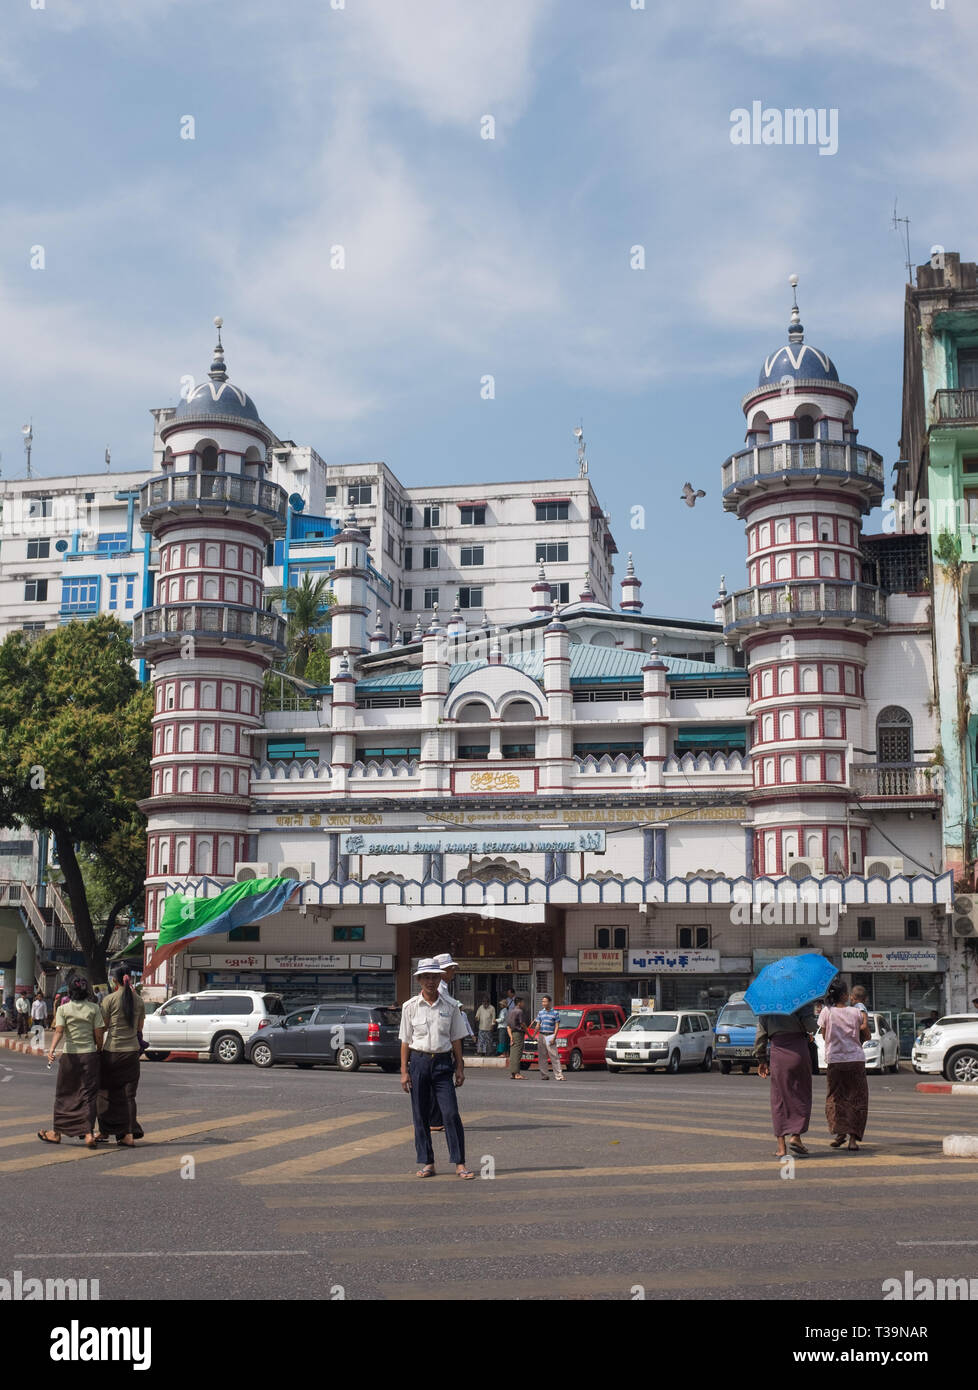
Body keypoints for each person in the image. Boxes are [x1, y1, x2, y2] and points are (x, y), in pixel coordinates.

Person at [399, 958, 475, 1178]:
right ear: (420, 980)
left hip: (443, 1064)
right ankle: (427, 1162)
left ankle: (459, 1163)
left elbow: (456, 1039)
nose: (430, 981)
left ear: (440, 978)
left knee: (450, 1113)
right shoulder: (410, 1007)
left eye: (434, 977)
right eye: (426, 977)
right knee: (420, 1115)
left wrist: (460, 1067)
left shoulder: (451, 1007)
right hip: (419, 1063)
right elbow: (405, 1040)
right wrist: (404, 1071)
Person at [38, 978, 105, 1148]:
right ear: (87, 992)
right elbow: (98, 1034)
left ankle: (56, 1133)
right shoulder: (94, 1008)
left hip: (70, 1056)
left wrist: (51, 1050)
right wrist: (98, 1049)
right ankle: (88, 1133)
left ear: (70, 992)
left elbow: (59, 1032)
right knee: (88, 1095)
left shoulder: (63, 1009)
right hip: (89, 1055)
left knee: (65, 1094)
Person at [753, 1003, 818, 1159]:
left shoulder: (767, 1005)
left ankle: (781, 1148)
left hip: (779, 1053)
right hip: (799, 1052)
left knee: (779, 1098)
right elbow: (812, 1026)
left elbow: (761, 1035)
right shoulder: (801, 1000)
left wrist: (761, 1059)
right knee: (801, 1093)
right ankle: (796, 1136)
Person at [818, 978, 871, 1152]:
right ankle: (852, 1139)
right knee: (857, 1098)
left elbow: (825, 1036)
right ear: (845, 995)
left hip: (835, 1060)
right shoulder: (856, 1013)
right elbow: (867, 1035)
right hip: (855, 1059)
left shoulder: (827, 1012)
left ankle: (840, 1132)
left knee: (836, 1097)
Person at [96, 966, 146, 1147]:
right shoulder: (139, 1000)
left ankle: (104, 1131)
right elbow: (140, 1028)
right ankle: (128, 1134)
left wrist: (98, 1048)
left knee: (104, 1093)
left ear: (114, 981)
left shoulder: (109, 1000)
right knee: (129, 1096)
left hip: (112, 1052)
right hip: (132, 1053)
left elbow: (103, 1027)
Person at [533, 994, 563, 1080]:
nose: (543, 1003)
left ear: (549, 1002)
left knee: (554, 1056)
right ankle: (544, 1075)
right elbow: (538, 1025)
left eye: (545, 1001)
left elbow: (557, 1026)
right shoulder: (540, 1012)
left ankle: (559, 1076)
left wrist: (554, 1037)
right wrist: (534, 1035)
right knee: (542, 1057)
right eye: (542, 1001)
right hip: (541, 1035)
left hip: (550, 1035)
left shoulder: (555, 1013)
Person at [507, 993, 528, 1079]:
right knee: (517, 1054)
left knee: (513, 1053)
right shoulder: (519, 1011)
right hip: (518, 1033)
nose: (523, 1004)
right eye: (522, 1002)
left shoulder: (511, 1011)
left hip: (512, 1033)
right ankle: (516, 1073)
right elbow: (522, 1024)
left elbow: (508, 1026)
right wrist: (529, 1033)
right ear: (519, 1003)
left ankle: (513, 1073)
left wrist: (511, 1037)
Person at [496, 989, 515, 1055]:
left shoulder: (503, 1011)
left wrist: (495, 1020)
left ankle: (503, 1053)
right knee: (506, 1040)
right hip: (506, 1026)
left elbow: (502, 1019)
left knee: (502, 1041)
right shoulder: (506, 1010)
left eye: (501, 1004)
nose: (500, 1006)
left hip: (502, 1027)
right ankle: (507, 1053)